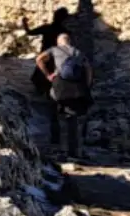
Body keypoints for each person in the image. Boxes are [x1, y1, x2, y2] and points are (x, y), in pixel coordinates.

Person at [37, 32, 94, 160]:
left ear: (59, 41)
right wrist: (87, 85)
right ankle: (76, 152)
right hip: (78, 89)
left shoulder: (54, 49)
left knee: (60, 117)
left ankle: (61, 150)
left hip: (60, 87)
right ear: (69, 41)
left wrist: (48, 75)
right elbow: (89, 70)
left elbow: (39, 59)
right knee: (76, 120)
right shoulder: (78, 52)